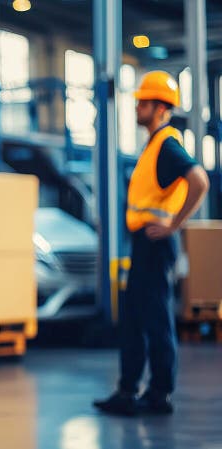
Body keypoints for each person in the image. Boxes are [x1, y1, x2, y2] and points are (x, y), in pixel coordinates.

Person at [93, 70, 210, 416]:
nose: (137, 107)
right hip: (146, 244)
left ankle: (159, 393)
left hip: (156, 244)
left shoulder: (167, 145)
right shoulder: (153, 144)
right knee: (134, 317)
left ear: (161, 108)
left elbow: (199, 180)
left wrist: (174, 224)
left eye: (143, 102)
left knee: (155, 318)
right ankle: (129, 391)